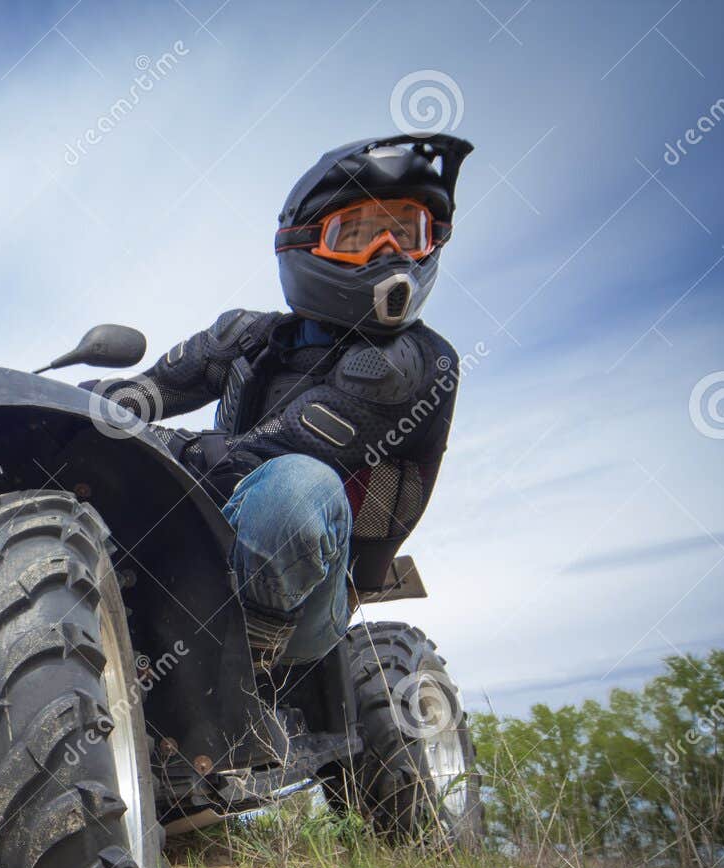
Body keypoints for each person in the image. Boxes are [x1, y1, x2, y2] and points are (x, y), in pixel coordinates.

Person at [100, 133, 474, 671]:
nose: (388, 254)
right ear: (304, 243)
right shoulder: (247, 336)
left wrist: (141, 442)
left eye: (404, 235)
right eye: (359, 236)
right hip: (205, 538)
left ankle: (241, 676)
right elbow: (146, 391)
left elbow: (261, 456)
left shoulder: (413, 364)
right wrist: (51, 405)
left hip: (314, 598)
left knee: (296, 486)